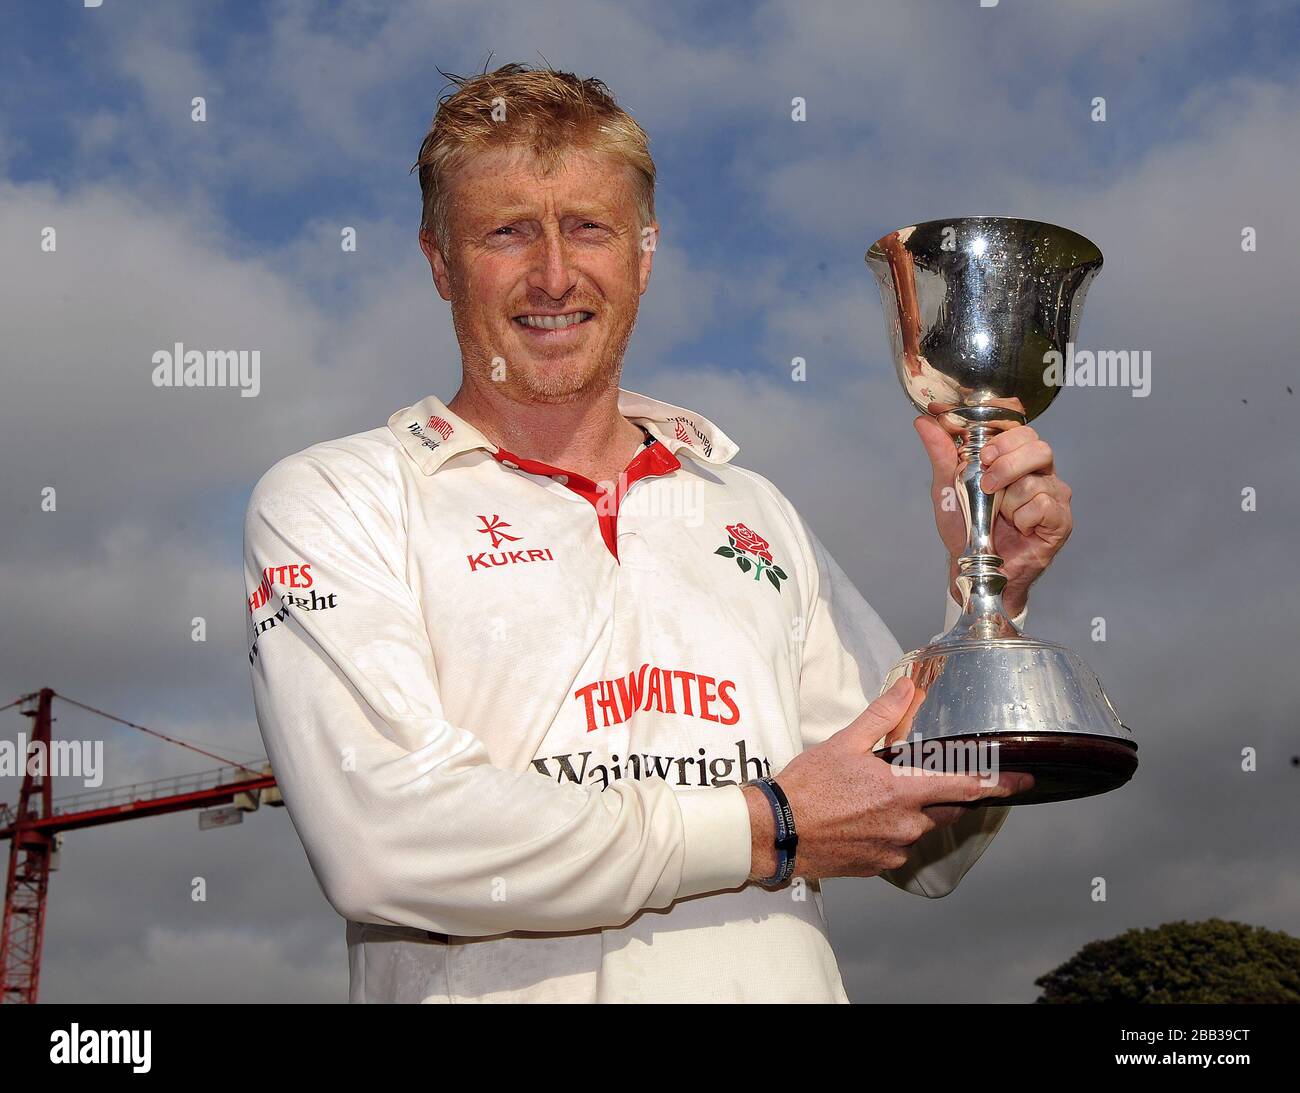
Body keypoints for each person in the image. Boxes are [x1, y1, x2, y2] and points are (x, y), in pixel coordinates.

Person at [243, 63, 1074, 1003]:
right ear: (439, 261)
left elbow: (925, 841)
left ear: (645, 252)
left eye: (588, 227)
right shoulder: (335, 496)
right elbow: (384, 839)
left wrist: (988, 598)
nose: (554, 274)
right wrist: (771, 826)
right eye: (508, 231)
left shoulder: (755, 509)